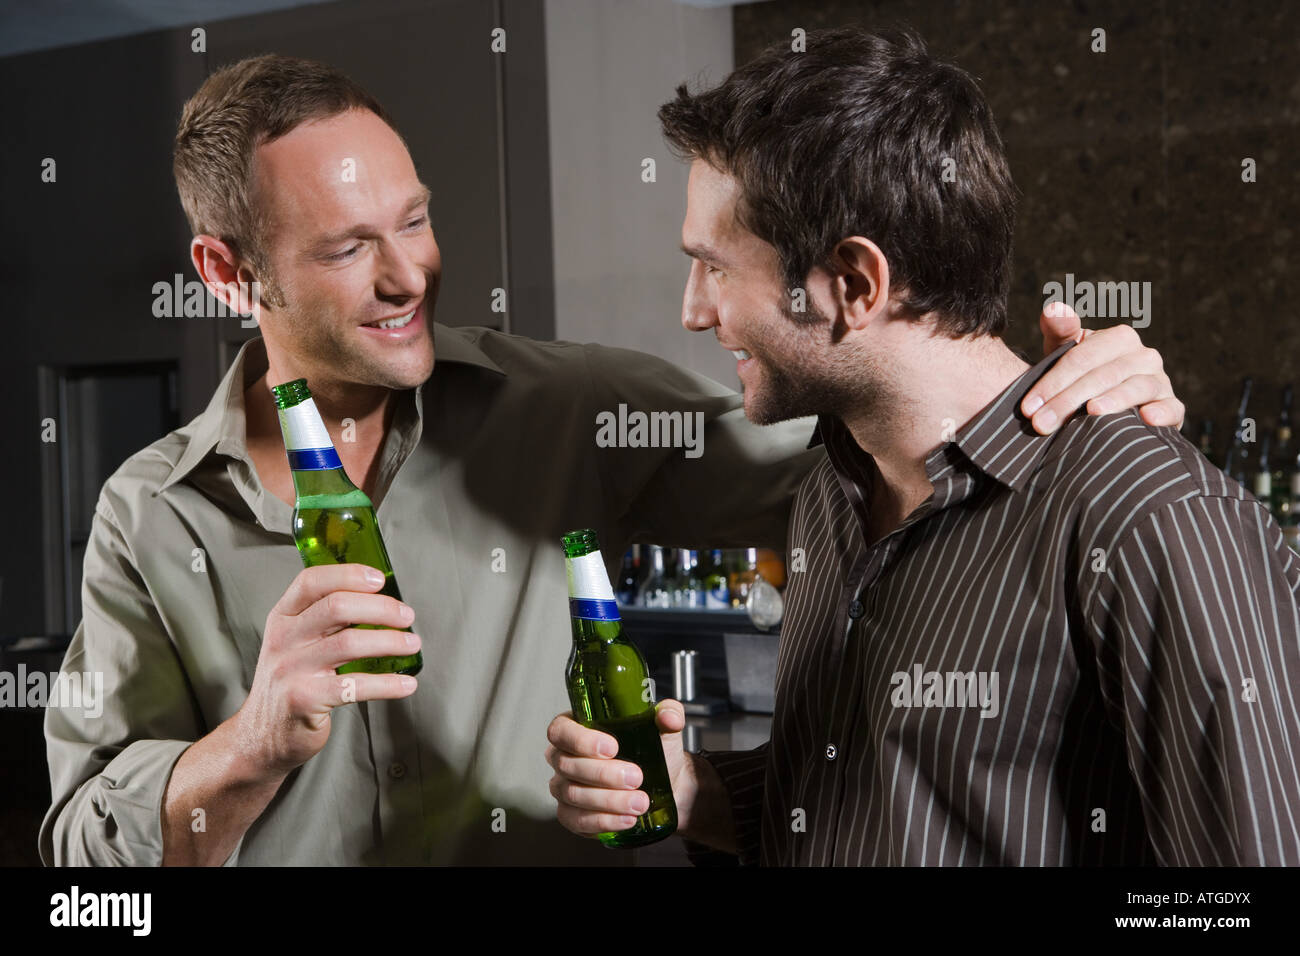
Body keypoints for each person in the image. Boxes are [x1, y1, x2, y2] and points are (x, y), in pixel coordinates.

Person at [43, 52, 1178, 867]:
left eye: (416, 219)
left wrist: (1056, 398)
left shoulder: (564, 408)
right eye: (348, 248)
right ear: (227, 271)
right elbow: (86, 884)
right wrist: (250, 742)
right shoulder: (149, 518)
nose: (411, 275)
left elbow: (885, 450)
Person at [546, 26, 1300, 866]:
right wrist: (697, 794)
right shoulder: (832, 489)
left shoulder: (1151, 516)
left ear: (856, 283)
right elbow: (880, 810)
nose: (693, 310)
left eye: (716, 267)